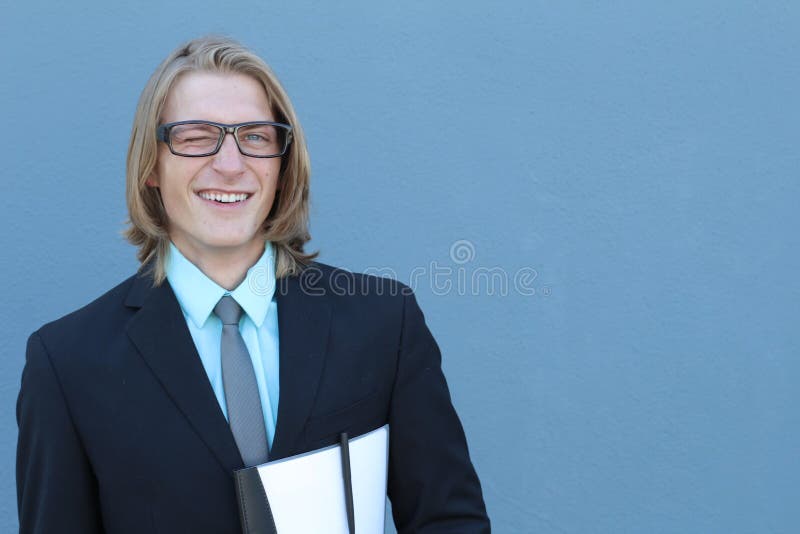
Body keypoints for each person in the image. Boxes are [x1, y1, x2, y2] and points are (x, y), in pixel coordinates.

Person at [16, 35, 490, 534]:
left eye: (256, 137)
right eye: (196, 136)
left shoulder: (384, 324)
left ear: (283, 165)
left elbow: (450, 521)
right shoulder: (67, 364)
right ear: (151, 164)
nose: (230, 163)